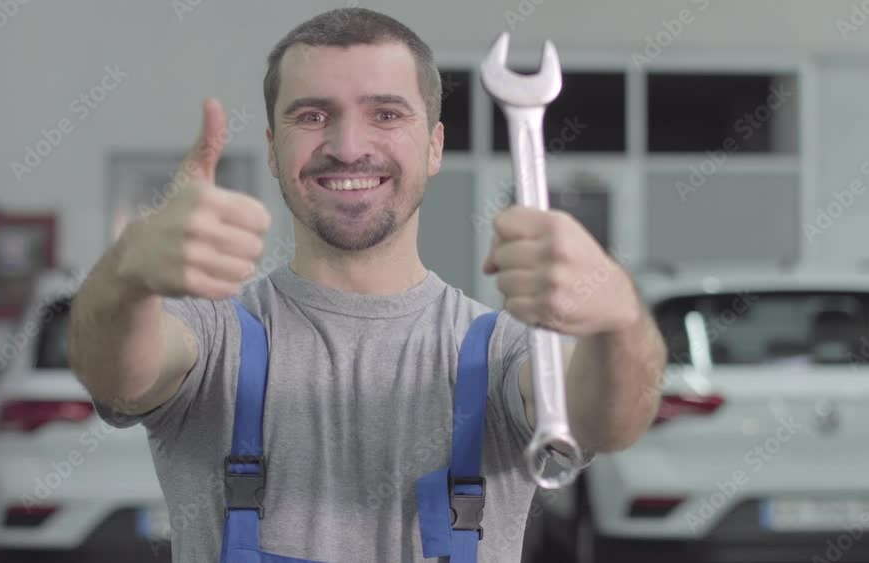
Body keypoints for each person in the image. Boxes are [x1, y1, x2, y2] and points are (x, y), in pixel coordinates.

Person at [68, 7, 667, 563]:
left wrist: (620, 321)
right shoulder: (214, 336)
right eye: (312, 115)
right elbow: (116, 373)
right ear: (273, 150)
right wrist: (126, 274)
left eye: (385, 114)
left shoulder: (501, 350)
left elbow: (607, 421)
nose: (348, 147)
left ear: (434, 146)